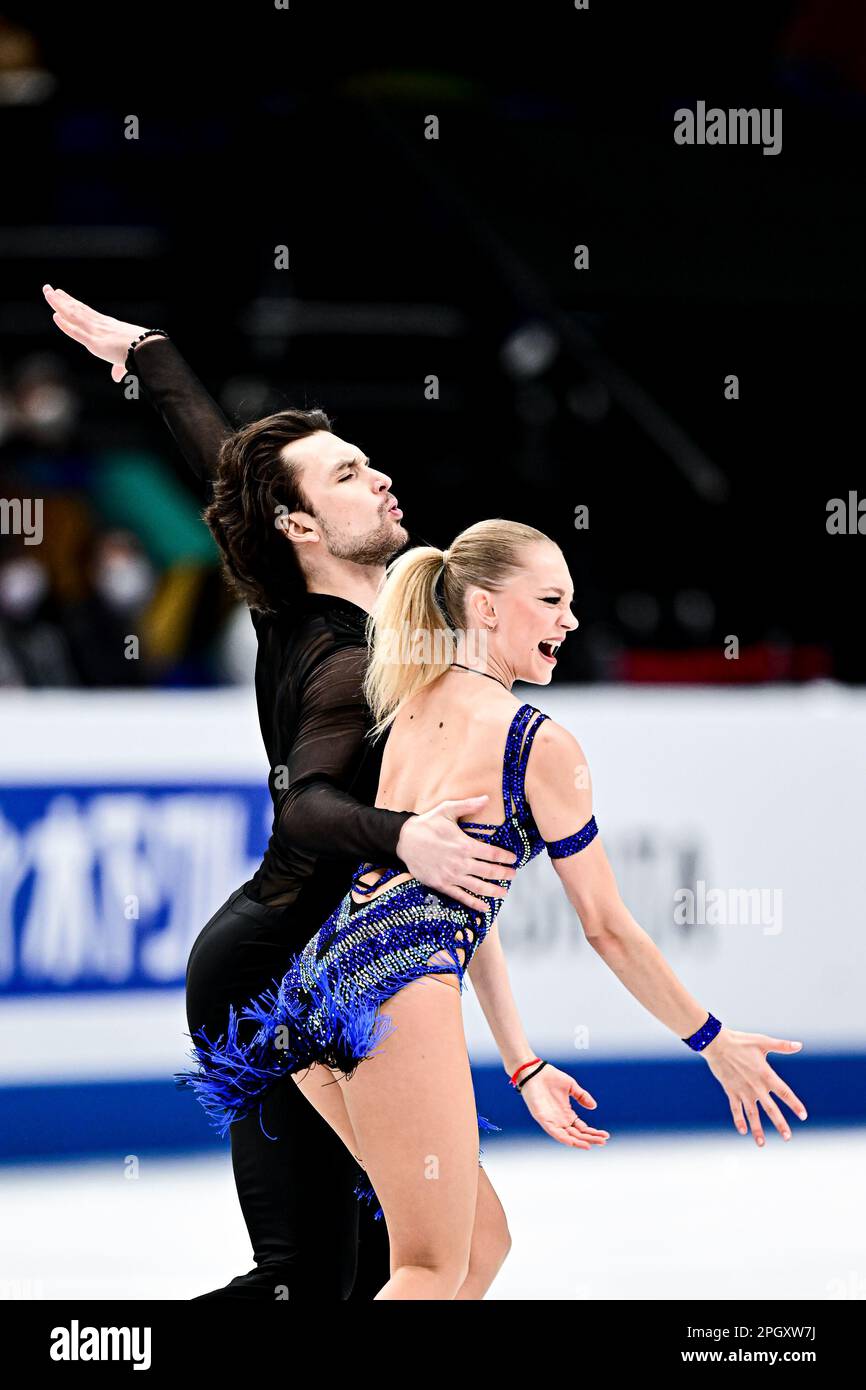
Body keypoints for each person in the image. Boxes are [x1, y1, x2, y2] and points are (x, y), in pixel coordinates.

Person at [41, 284, 529, 1302]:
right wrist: (407, 837)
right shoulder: (338, 659)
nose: (382, 476)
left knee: (444, 1252)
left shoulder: (291, 589)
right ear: (304, 523)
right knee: (321, 1272)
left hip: (320, 965)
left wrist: (150, 356)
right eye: (350, 473)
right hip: (271, 976)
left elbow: (227, 462)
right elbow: (307, 804)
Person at [176, 518, 809, 1300]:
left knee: (480, 1243)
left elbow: (460, 905)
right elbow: (608, 928)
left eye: (570, 603)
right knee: (428, 1267)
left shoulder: (410, 700)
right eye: (549, 600)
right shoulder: (541, 745)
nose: (569, 621)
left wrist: (523, 1059)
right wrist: (711, 1040)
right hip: (392, 993)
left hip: (316, 987)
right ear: (481, 606)